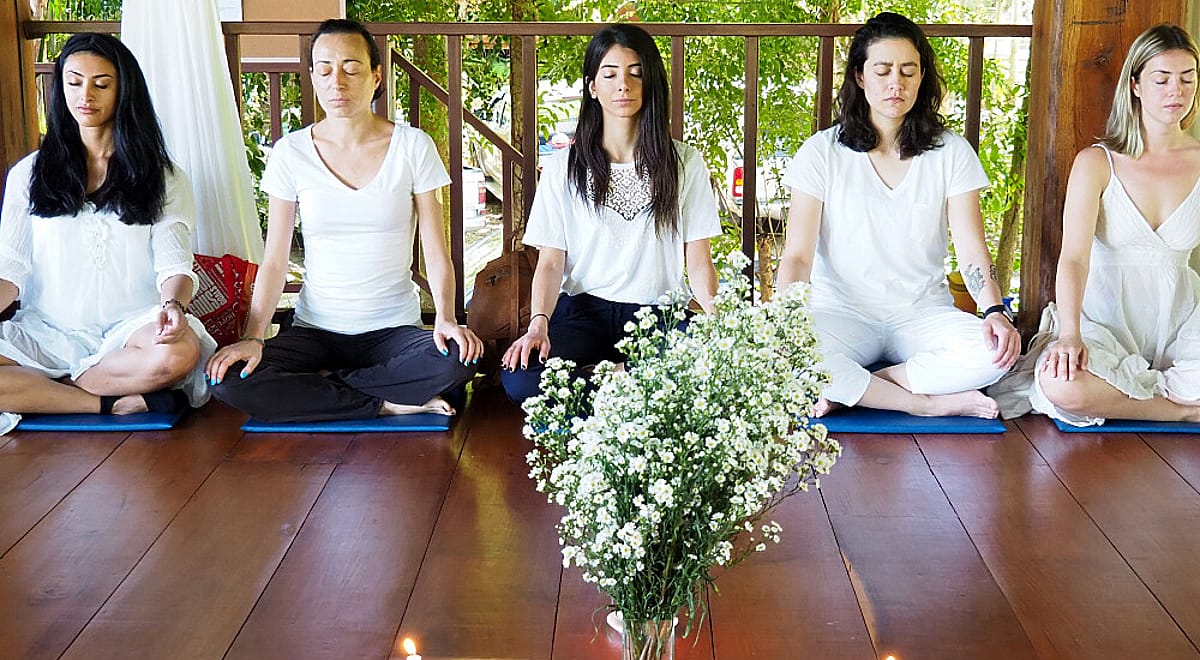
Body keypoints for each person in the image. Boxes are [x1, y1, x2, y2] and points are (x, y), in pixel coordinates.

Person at [206, 18, 480, 422]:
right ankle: (384, 401)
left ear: (376, 76)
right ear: (313, 76)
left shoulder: (413, 146)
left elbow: (436, 251)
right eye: (325, 69)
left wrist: (446, 319)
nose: (337, 82)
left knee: (459, 359)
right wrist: (253, 337)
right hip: (315, 330)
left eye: (351, 68)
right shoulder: (291, 153)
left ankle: (323, 388)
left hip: (393, 331)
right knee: (228, 379)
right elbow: (275, 261)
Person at [776, 12, 1019, 419]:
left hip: (921, 313)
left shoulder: (951, 151)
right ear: (860, 76)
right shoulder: (821, 152)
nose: (896, 83)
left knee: (996, 354)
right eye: (883, 71)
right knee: (787, 354)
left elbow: (972, 250)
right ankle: (925, 403)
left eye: (908, 71)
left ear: (922, 77)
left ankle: (863, 386)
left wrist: (994, 310)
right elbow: (798, 256)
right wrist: (785, 322)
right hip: (841, 312)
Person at [0, 33, 213, 434]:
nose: (86, 95)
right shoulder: (28, 174)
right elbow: (9, 274)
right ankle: (108, 401)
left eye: (101, 84)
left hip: (130, 333)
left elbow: (175, 266)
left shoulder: (163, 176)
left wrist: (174, 307)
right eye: (74, 82)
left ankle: (49, 392)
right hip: (47, 333)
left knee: (177, 355)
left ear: (124, 91)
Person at [500, 23, 721, 404]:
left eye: (636, 73)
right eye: (610, 74)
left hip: (658, 315)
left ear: (651, 83)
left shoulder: (684, 162)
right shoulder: (563, 167)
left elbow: (698, 259)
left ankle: (604, 382)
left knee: (707, 362)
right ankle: (632, 387)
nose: (624, 85)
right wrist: (538, 325)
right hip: (584, 311)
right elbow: (551, 262)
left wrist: (716, 320)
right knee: (522, 379)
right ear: (592, 87)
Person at [1021, 25, 1200, 426]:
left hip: (1184, 325)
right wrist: (1069, 334)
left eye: (1187, 79)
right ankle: (1185, 410)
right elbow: (1073, 258)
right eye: (1162, 79)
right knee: (1061, 383)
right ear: (1135, 85)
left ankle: (1158, 402)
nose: (1176, 91)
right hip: (1102, 323)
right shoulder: (1096, 162)